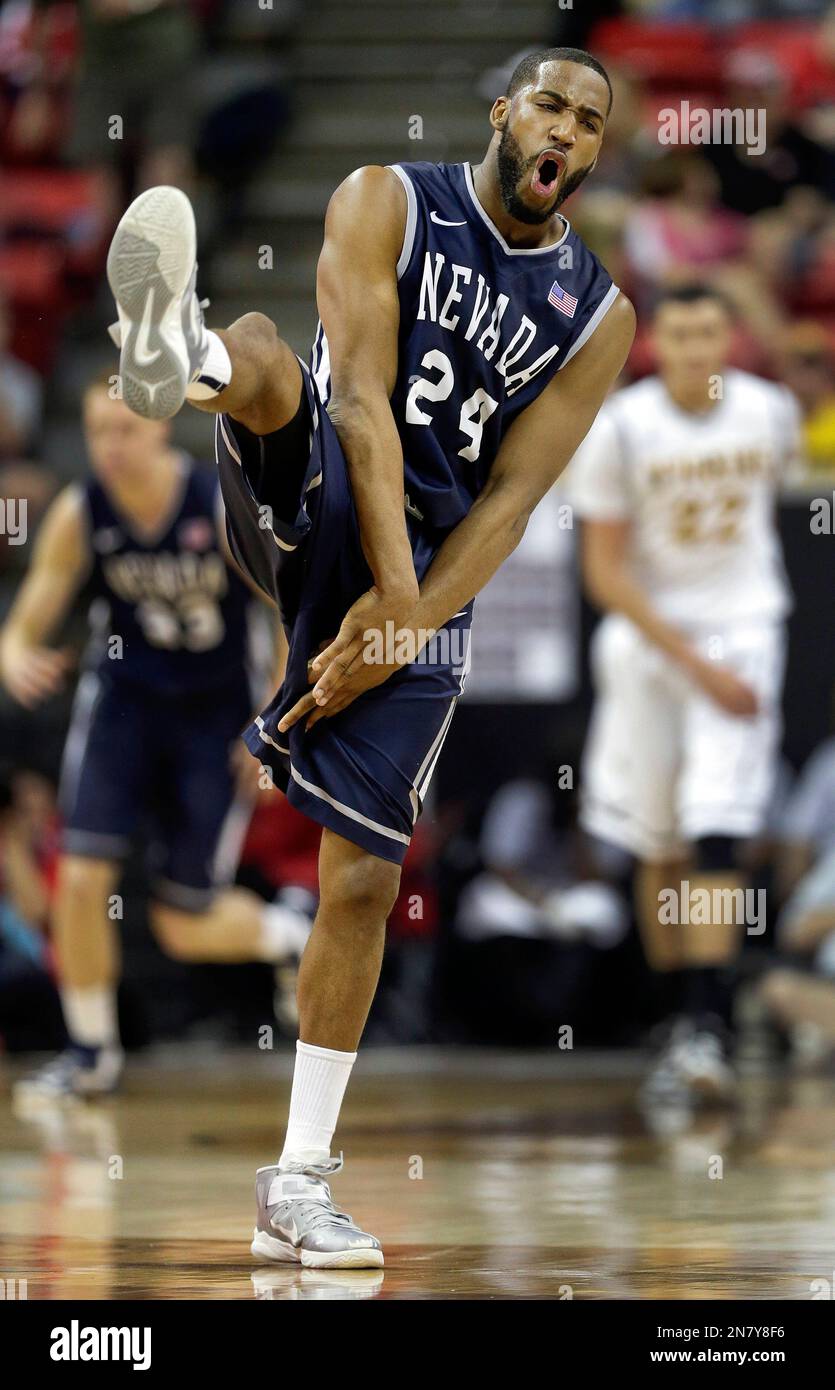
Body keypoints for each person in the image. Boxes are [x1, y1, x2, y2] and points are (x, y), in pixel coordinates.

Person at [105, 46, 635, 1268]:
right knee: (273, 361)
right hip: (337, 499)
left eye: (590, 120)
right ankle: (180, 351)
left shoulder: (599, 316)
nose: (565, 128)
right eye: (549, 102)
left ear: (595, 151)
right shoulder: (383, 198)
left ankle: (297, 1184)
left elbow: (509, 507)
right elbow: (366, 398)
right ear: (503, 112)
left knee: (359, 883)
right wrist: (385, 600)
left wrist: (413, 614)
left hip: (439, 567)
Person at [0, 374, 312, 1099]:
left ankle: (290, 933)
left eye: (125, 430)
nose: (110, 446)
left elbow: (283, 612)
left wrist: (271, 719)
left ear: (162, 427)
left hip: (213, 718)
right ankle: (90, 1052)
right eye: (97, 431)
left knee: (182, 925)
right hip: (123, 709)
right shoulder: (82, 512)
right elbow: (24, 623)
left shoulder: (217, 500)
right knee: (80, 879)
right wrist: (15, 655)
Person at [568, 283, 802, 1108]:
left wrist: (716, 664)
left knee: (716, 829)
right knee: (657, 841)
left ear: (730, 340)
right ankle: (678, 1020)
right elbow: (603, 574)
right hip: (649, 643)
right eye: (681, 335)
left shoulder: (769, 412)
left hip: (742, 632)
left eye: (711, 333)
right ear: (654, 343)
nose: (697, 350)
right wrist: (688, 662)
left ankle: (709, 1024)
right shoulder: (621, 430)